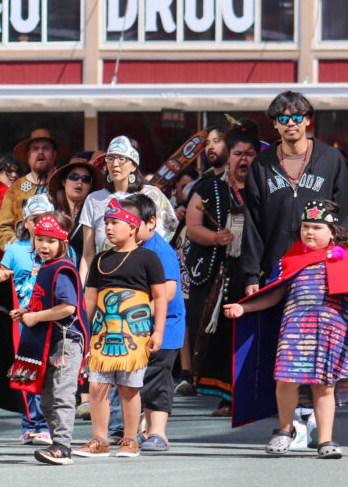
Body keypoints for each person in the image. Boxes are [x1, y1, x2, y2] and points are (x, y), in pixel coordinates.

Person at [223, 199, 348, 459]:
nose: (309, 232)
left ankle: (325, 440)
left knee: (324, 386)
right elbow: (273, 295)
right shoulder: (290, 260)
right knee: (286, 380)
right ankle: (284, 431)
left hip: (332, 333)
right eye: (306, 226)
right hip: (294, 331)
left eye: (317, 227)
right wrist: (245, 308)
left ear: (332, 233)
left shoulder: (347, 258)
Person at [241, 90, 348, 299]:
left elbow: (346, 212)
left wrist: (342, 260)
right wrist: (251, 275)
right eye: (283, 118)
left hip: (321, 268)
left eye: (297, 117)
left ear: (307, 121)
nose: (290, 123)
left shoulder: (330, 158)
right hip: (276, 270)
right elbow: (252, 222)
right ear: (275, 124)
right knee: (280, 330)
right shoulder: (261, 164)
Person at [75, 198, 167, 459]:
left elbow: (160, 297)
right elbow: (90, 299)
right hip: (102, 332)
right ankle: (100, 439)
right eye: (106, 223)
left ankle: (129, 439)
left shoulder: (148, 258)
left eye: (115, 222)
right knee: (96, 386)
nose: (109, 228)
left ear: (132, 226)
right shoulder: (100, 260)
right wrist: (83, 328)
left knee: (129, 388)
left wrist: (158, 331)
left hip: (135, 333)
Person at [184, 122, 260, 413]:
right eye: (238, 153)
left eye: (250, 154)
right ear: (229, 156)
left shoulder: (266, 187)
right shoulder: (209, 187)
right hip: (222, 272)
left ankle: (258, 393)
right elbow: (193, 227)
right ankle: (228, 396)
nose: (243, 160)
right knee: (223, 334)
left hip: (257, 272)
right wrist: (216, 237)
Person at [8, 212, 87, 465]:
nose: (44, 245)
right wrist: (27, 313)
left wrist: (36, 317)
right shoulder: (46, 266)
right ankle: (57, 444)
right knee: (49, 396)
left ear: (62, 243)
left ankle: (63, 447)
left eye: (51, 241)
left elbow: (68, 308)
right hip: (51, 340)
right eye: (39, 239)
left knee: (62, 394)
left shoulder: (61, 269)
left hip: (66, 341)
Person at [0, 194, 55, 444]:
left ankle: (44, 423)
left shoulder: (60, 246)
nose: (40, 224)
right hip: (21, 320)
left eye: (46, 218)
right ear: (26, 222)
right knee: (26, 370)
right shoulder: (15, 249)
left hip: (50, 318)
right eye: (35, 220)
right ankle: (30, 423)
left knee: (48, 372)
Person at [124, 192, 185, 452]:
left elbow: (168, 290)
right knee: (137, 378)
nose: (126, 226)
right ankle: (144, 430)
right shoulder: (130, 248)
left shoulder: (160, 250)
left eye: (132, 221)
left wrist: (139, 312)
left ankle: (158, 432)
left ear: (151, 222)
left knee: (157, 378)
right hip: (137, 326)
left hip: (165, 325)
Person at [79, 135, 177, 282]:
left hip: (144, 280)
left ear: (134, 164)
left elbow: (169, 231)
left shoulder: (152, 195)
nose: (115, 164)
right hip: (104, 281)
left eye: (121, 158)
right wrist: (82, 293)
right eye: (110, 158)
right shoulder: (94, 199)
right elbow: (87, 254)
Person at [0, 129, 66, 250]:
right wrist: (19, 249)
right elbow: (3, 228)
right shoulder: (16, 188)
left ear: (54, 154)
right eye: (35, 149)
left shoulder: (64, 184)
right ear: (28, 155)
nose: (40, 153)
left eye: (46, 148)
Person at [47, 154, 103, 265]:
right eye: (73, 177)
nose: (79, 182)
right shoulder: (50, 208)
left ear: (91, 186)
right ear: (64, 181)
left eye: (86, 179)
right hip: (53, 270)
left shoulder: (96, 212)